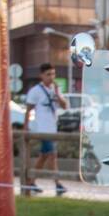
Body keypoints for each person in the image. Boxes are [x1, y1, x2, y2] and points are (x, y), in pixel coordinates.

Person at [25, 63, 68, 195]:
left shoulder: (55, 89)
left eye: (53, 74)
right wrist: (25, 126)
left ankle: (30, 183)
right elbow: (28, 110)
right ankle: (58, 184)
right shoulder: (35, 91)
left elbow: (65, 106)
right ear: (41, 75)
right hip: (42, 128)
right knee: (52, 155)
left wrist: (57, 93)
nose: (51, 77)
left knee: (44, 156)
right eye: (48, 74)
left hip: (52, 128)